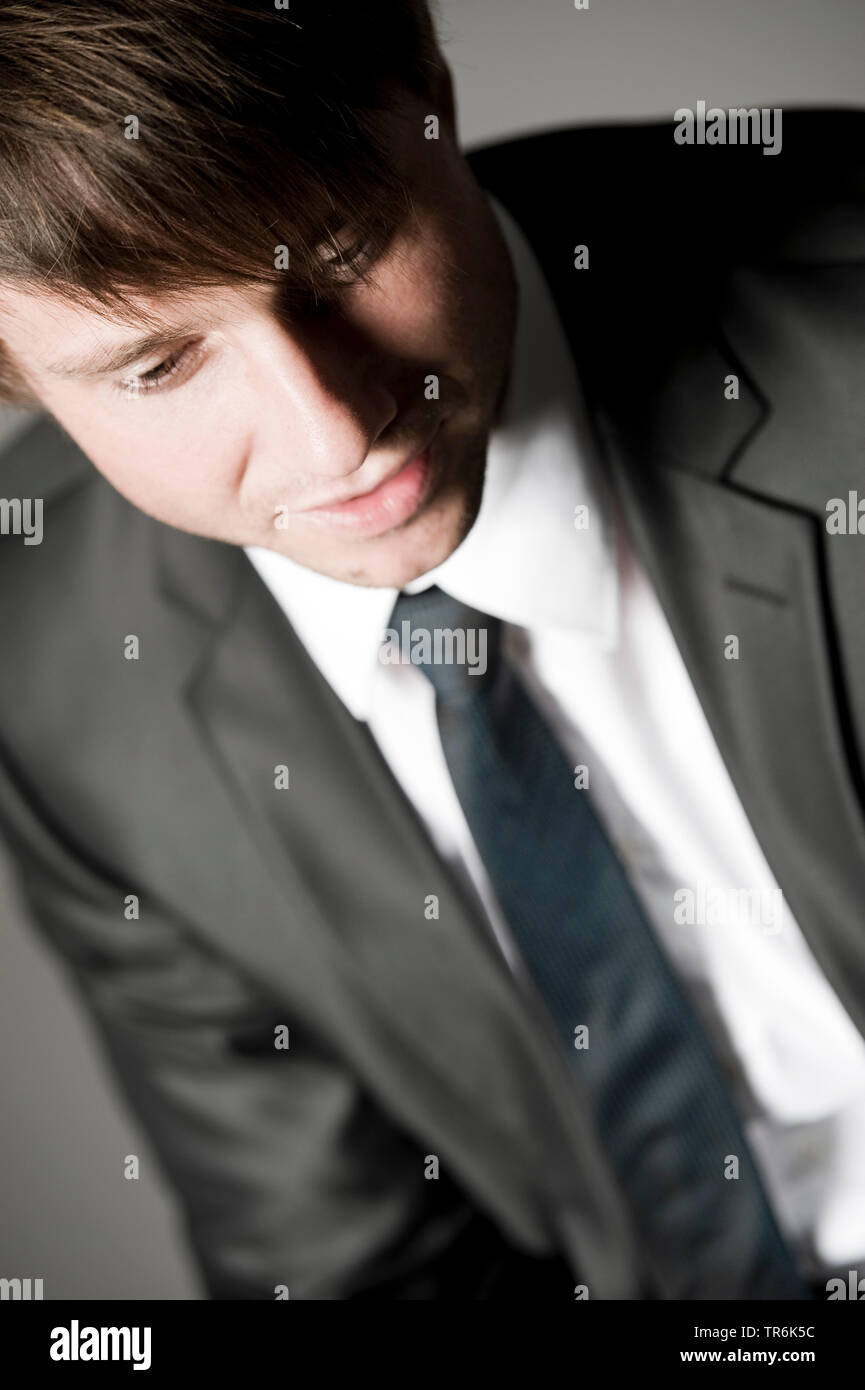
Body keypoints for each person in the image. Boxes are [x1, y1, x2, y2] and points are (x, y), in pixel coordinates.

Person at [0, 0, 863, 1300]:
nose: (332, 430)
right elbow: (350, 1267)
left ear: (431, 95)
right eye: (161, 365)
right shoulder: (57, 666)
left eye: (342, 252)